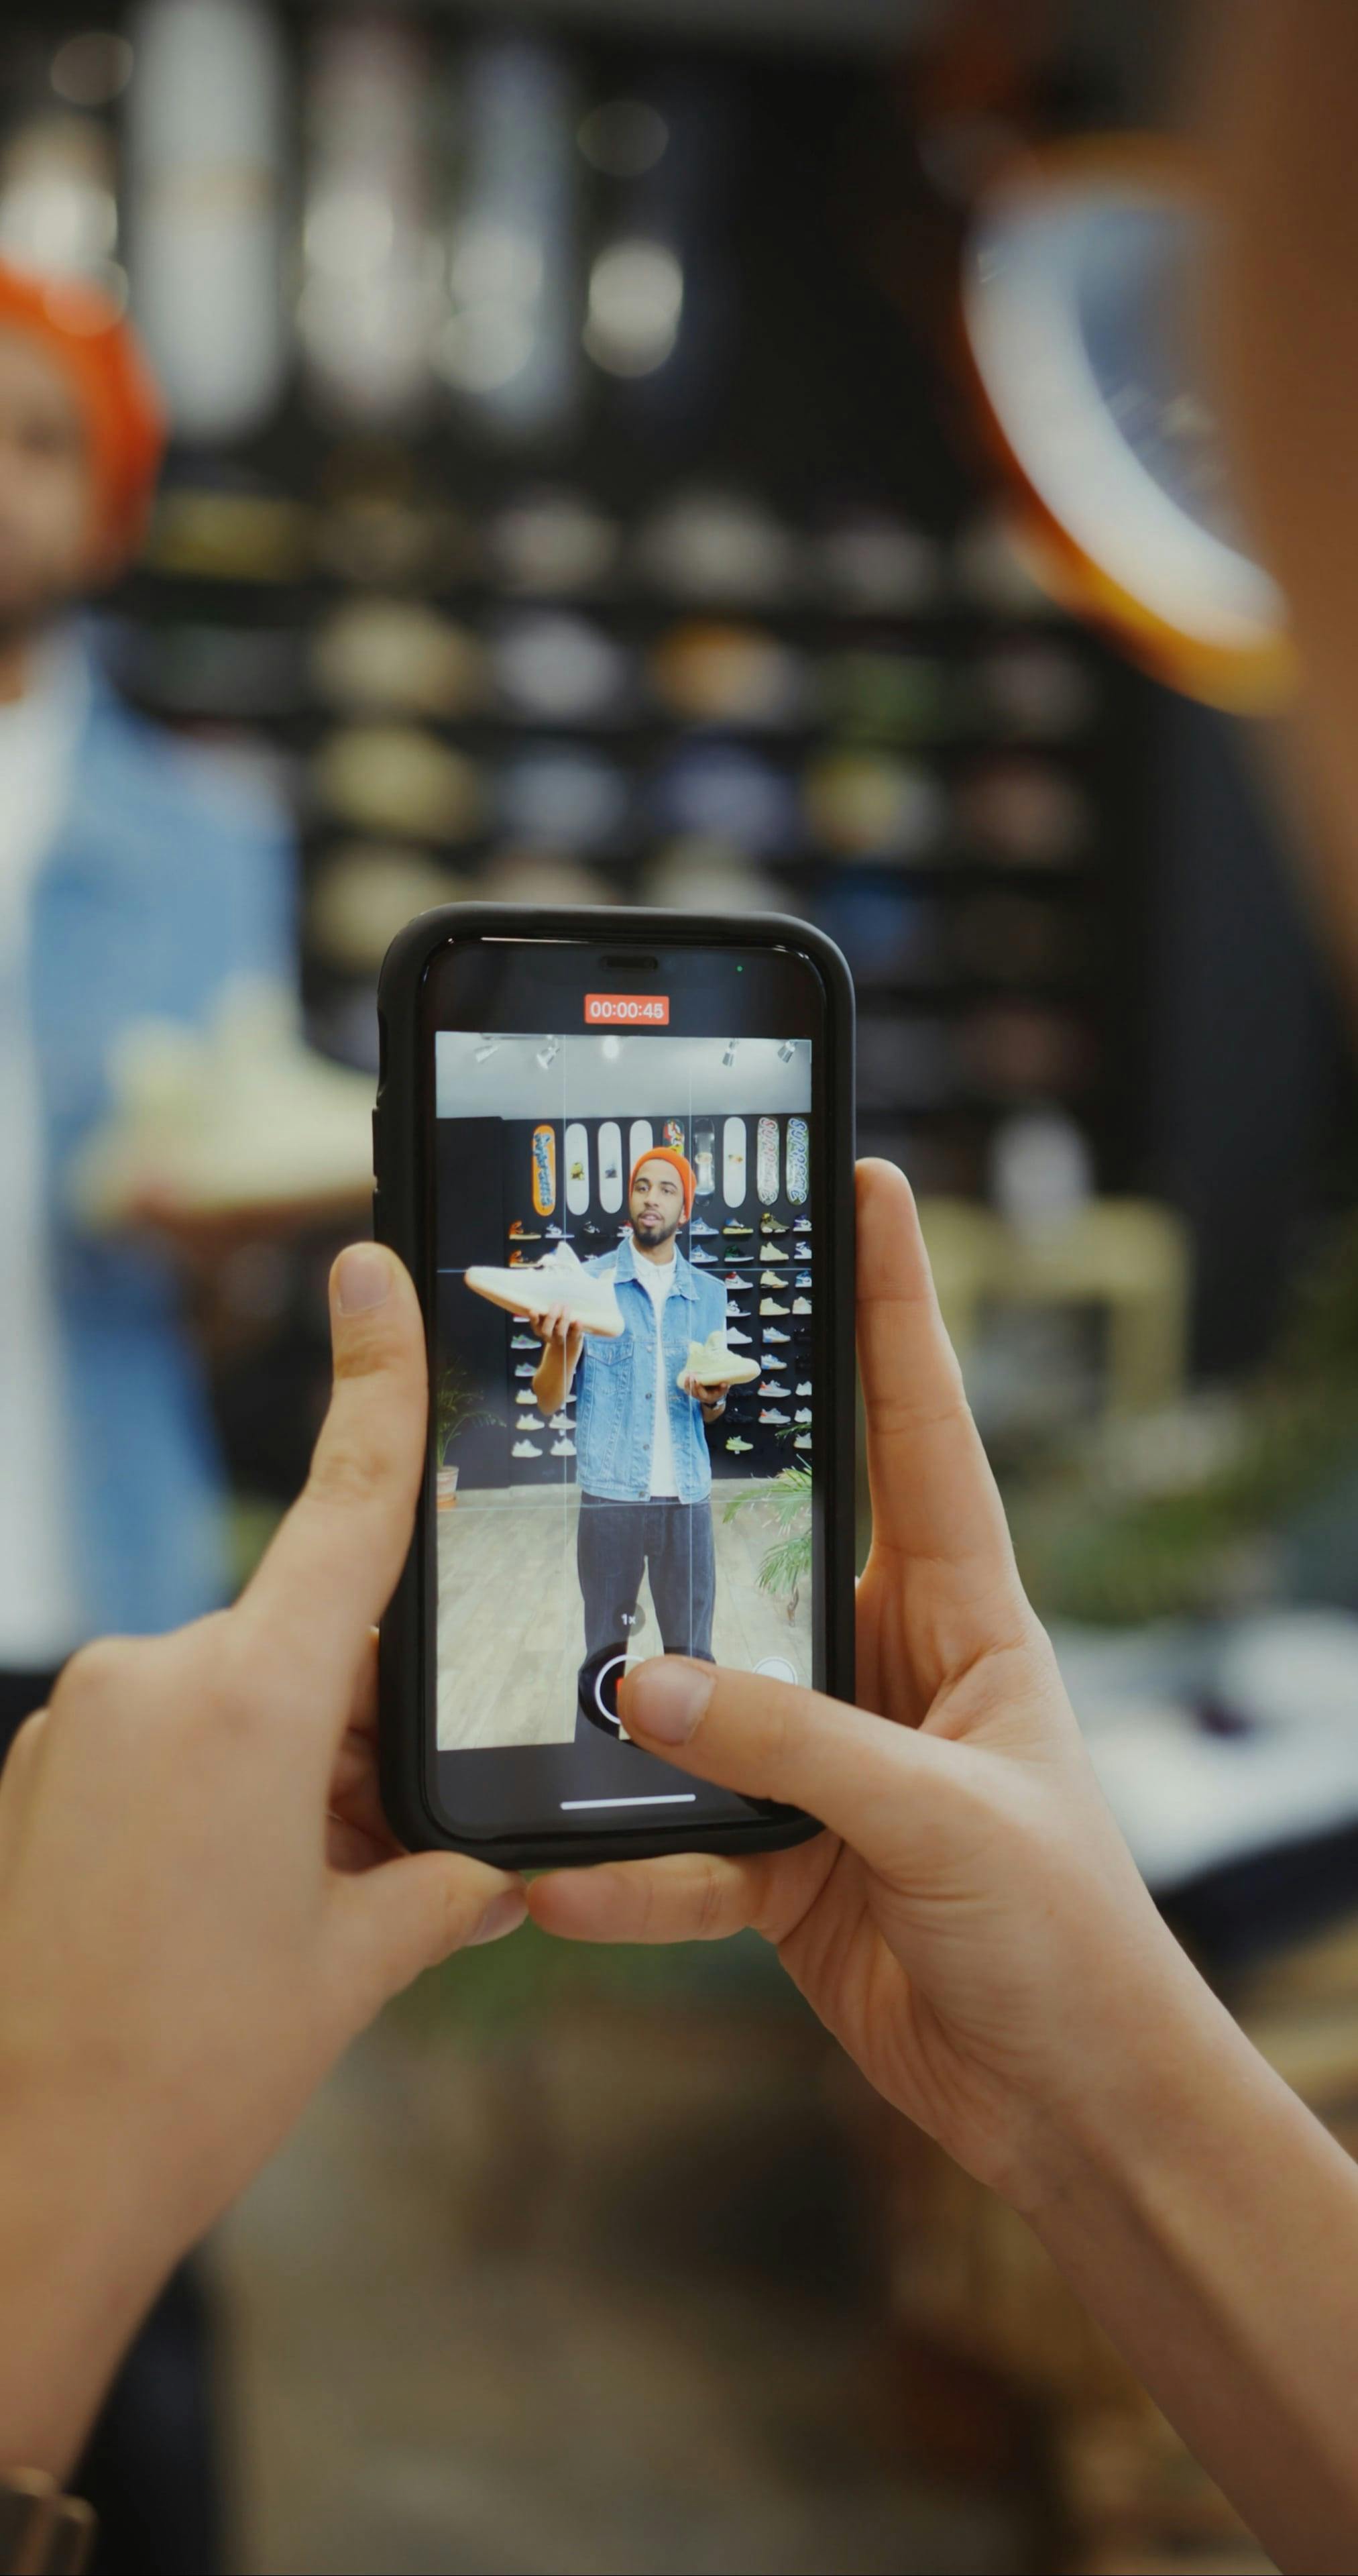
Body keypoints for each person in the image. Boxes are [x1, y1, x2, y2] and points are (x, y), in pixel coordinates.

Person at [0, 262, 295, 2572]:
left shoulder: (202, 830)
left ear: (106, 502)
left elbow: (236, 1201)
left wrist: (231, 1240)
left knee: (139, 2180)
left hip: (101, 1594)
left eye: (32, 437)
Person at [531, 1150, 735, 1711]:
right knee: (603, 1659)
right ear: (631, 1201)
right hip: (610, 1498)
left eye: (667, 1190)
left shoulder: (711, 1295)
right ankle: (599, 1775)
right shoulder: (588, 1283)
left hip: (686, 1501)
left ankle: (689, 1778)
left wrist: (714, 1401)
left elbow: (712, 1413)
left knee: (693, 1661)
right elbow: (548, 1401)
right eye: (643, 1187)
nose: (652, 1198)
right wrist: (557, 1344)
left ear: (684, 1210)